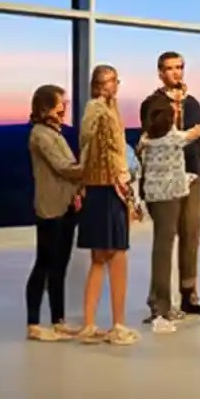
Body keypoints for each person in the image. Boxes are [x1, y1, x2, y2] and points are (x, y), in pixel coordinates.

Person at [139, 51, 200, 319]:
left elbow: (196, 137)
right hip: (166, 180)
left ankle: (189, 295)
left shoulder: (192, 103)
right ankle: (160, 304)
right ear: (160, 72)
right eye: (170, 68)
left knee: (191, 234)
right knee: (165, 238)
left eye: (179, 68)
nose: (176, 73)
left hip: (193, 174)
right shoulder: (152, 103)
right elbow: (153, 138)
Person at [75, 65, 140, 346]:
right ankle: (117, 324)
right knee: (116, 255)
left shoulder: (98, 110)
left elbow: (88, 148)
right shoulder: (101, 111)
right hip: (108, 188)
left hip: (97, 187)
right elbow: (106, 150)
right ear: (104, 84)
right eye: (113, 81)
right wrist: (124, 184)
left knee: (100, 257)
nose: (116, 85)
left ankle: (91, 324)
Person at [137, 102, 200, 330]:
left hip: (154, 200)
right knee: (164, 249)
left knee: (162, 245)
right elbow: (195, 132)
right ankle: (162, 309)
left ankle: (160, 304)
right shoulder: (173, 141)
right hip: (169, 200)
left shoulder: (147, 143)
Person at [24, 84, 84, 342]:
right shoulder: (41, 135)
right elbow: (63, 167)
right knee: (44, 263)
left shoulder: (55, 133)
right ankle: (33, 324)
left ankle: (58, 320)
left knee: (60, 265)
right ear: (46, 108)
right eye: (62, 103)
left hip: (67, 205)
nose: (65, 108)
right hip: (50, 207)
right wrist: (92, 167)